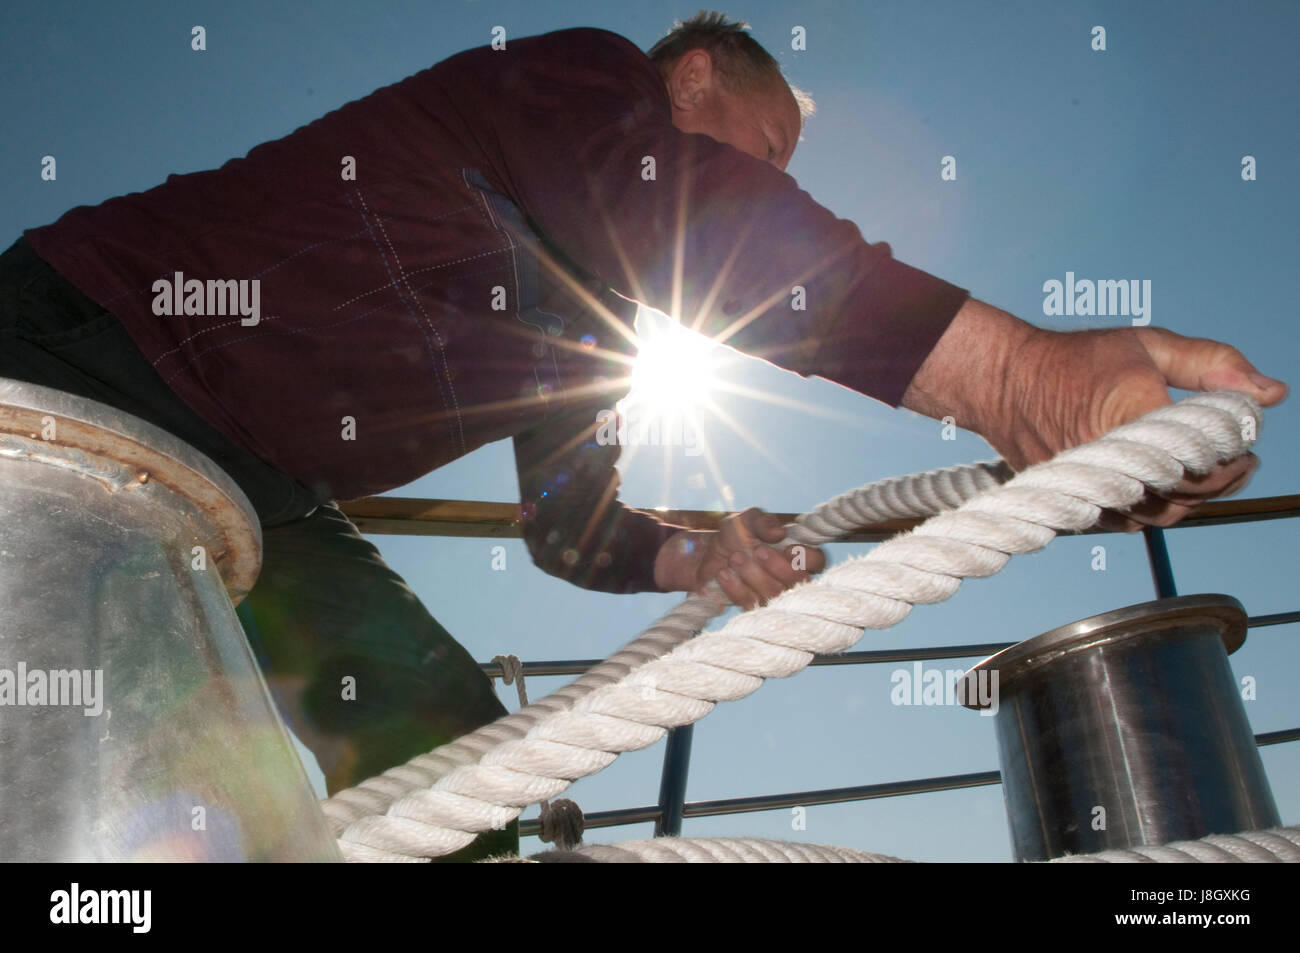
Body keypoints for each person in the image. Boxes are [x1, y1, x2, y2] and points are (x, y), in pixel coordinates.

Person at [0, 12, 1285, 861]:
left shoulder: (590, 333)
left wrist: (696, 554)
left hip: (264, 490)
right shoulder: (564, 79)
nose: (777, 187)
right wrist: (1017, 376)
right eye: (765, 151)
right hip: (71, 355)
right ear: (689, 82)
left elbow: (570, 524)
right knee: (101, 768)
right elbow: (677, 213)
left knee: (443, 724)